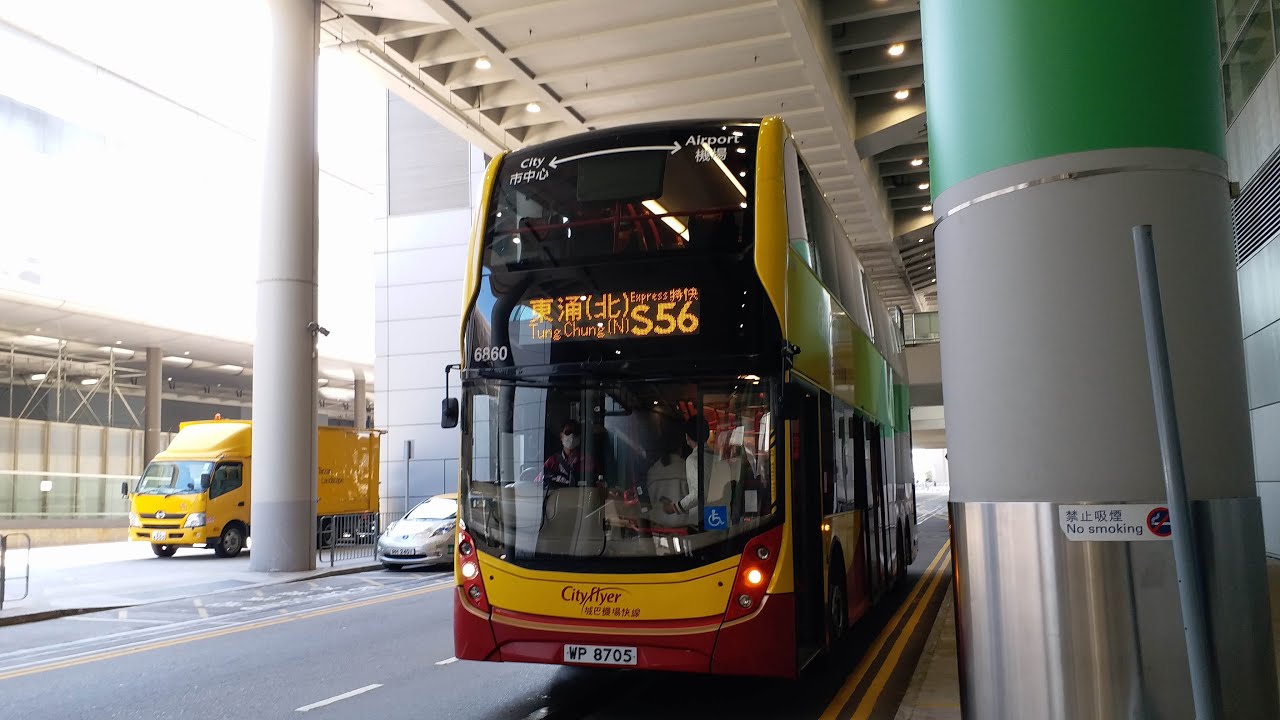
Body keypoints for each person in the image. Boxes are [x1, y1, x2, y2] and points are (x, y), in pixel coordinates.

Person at [660, 416, 716, 520]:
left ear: (687, 436)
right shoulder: (717, 458)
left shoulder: (693, 460)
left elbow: (698, 494)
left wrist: (674, 508)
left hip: (702, 519)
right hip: (719, 516)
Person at [540, 420, 597, 486]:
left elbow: (597, 483)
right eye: (568, 432)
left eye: (575, 433)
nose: (572, 436)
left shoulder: (589, 461)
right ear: (561, 436)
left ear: (580, 437)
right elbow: (538, 483)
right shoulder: (552, 461)